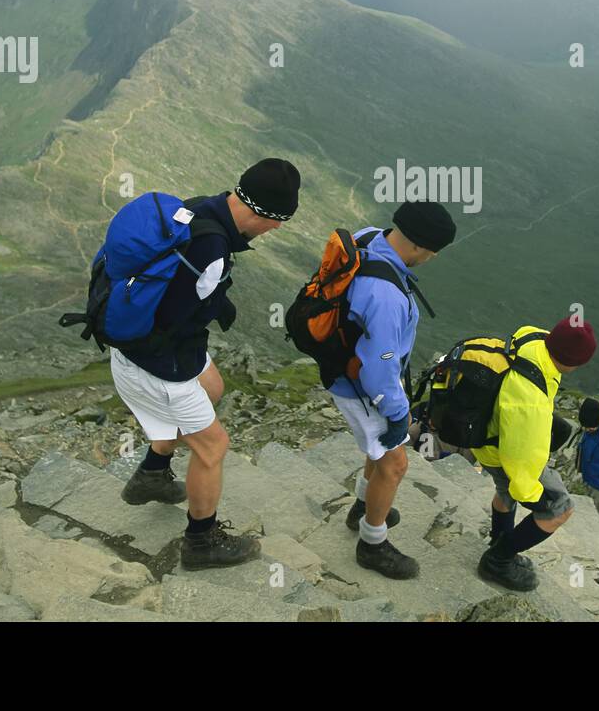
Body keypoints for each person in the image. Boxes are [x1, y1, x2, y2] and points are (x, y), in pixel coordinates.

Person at [111, 158, 301, 569]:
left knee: (213, 388)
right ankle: (201, 541)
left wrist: (214, 300)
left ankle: (152, 473)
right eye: (277, 220)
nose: (277, 229)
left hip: (136, 347)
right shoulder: (212, 248)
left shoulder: (200, 207)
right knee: (214, 446)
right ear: (261, 213)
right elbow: (178, 315)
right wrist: (213, 301)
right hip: (155, 362)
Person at [327, 201, 456, 579]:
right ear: (420, 248)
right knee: (395, 463)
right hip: (360, 386)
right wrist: (399, 414)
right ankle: (372, 543)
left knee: (379, 451)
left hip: (348, 367)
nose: (432, 258)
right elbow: (379, 373)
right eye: (433, 252)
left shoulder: (369, 237)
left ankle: (362, 507)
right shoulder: (385, 298)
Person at [472, 316, 597, 591]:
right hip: (500, 450)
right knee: (560, 509)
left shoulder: (533, 339)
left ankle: (499, 540)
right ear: (575, 363)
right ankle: (498, 560)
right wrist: (535, 497)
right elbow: (519, 459)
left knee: (504, 489)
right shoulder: (531, 404)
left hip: (486, 438)